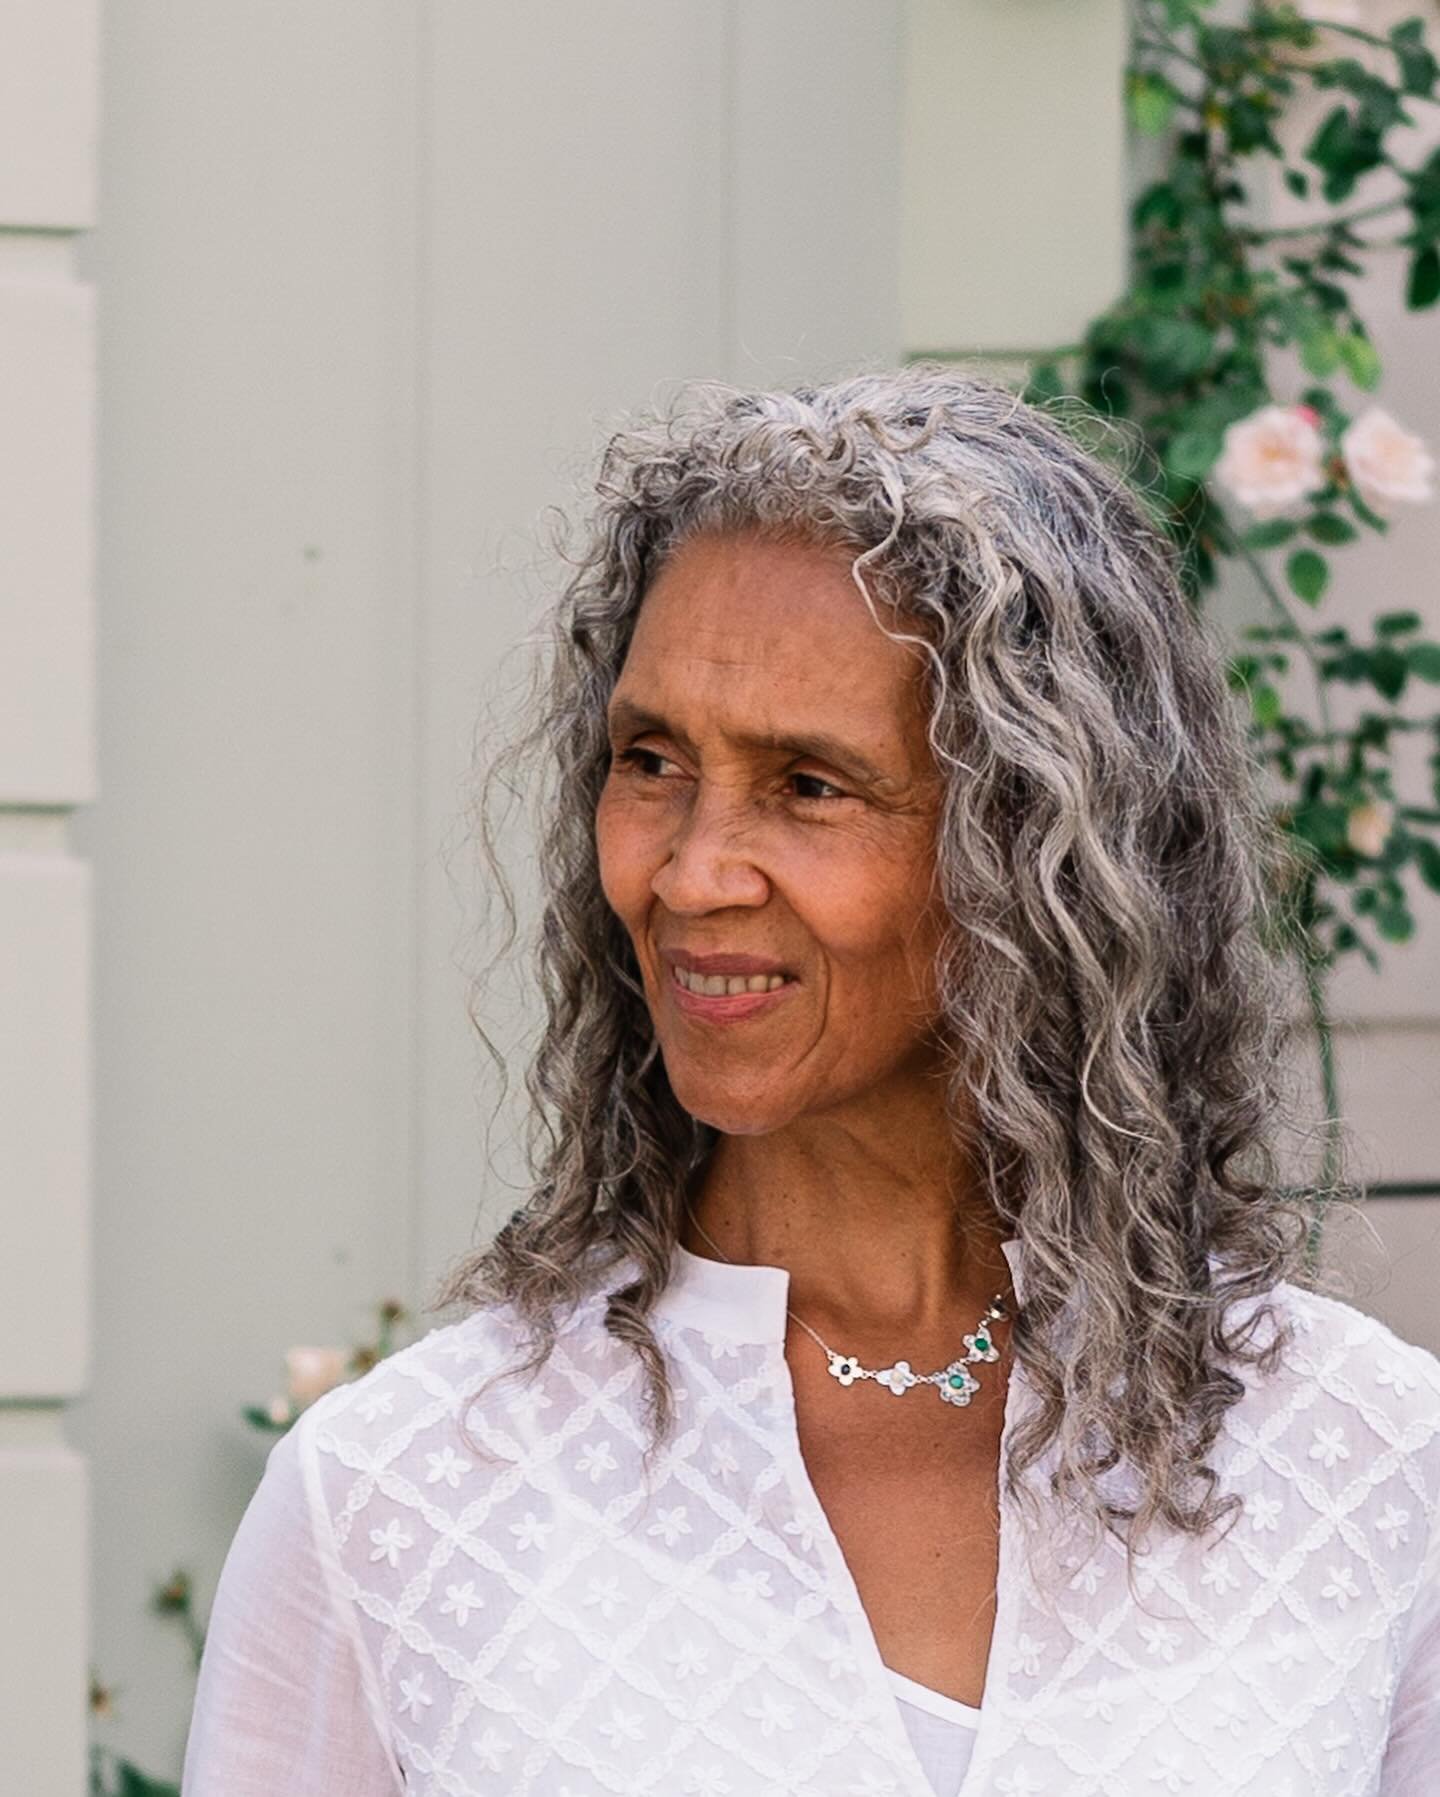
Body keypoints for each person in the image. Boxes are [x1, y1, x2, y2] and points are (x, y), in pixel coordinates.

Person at [181, 366, 1440, 1796]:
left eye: (809, 785)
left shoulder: (1365, 1462)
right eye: (650, 761)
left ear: (1042, 849)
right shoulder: (405, 1498)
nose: (690, 869)